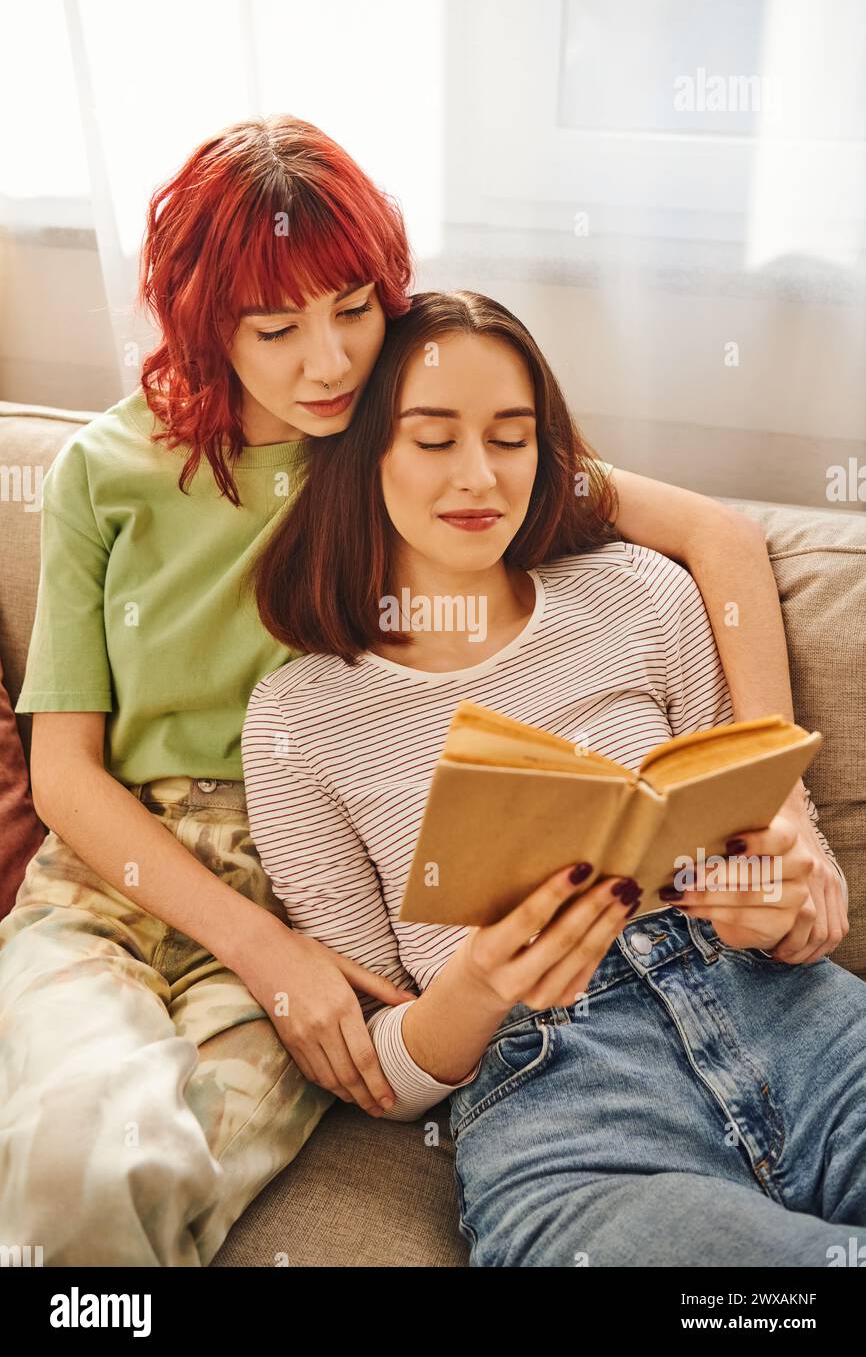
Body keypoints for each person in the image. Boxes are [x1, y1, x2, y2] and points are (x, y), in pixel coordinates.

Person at [0, 113, 844, 1267]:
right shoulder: (119, 475)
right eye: (275, 326)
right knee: (77, 1167)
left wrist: (780, 811)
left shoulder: (422, 430)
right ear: (208, 323)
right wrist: (271, 950)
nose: (329, 360)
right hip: (130, 866)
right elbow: (64, 772)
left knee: (154, 1168)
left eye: (353, 308)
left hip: (350, 884)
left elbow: (709, 534)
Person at [240, 289, 864, 1267]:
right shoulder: (300, 718)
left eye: (511, 437)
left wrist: (775, 906)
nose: (479, 475)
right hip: (561, 1109)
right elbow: (378, 1067)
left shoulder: (639, 593)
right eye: (433, 439)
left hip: (791, 1022)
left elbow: (744, 841)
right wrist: (480, 982)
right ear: (364, 456)